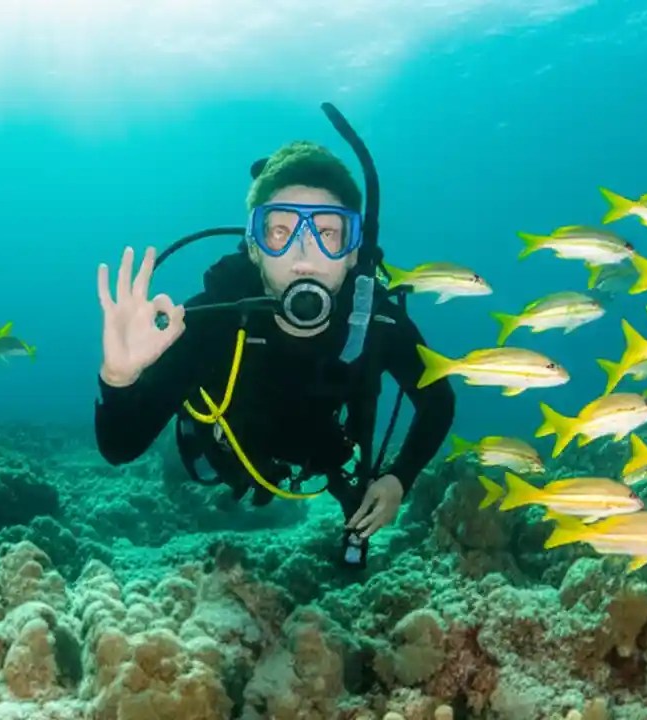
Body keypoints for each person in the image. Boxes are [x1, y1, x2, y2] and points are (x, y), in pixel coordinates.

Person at [93, 106, 455, 568]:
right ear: (254, 247)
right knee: (194, 460)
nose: (304, 256)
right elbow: (119, 448)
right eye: (280, 231)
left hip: (318, 451)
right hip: (224, 450)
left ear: (353, 252)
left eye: (327, 232)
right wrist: (119, 378)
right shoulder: (212, 321)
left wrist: (399, 478)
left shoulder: (376, 321)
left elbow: (438, 400)